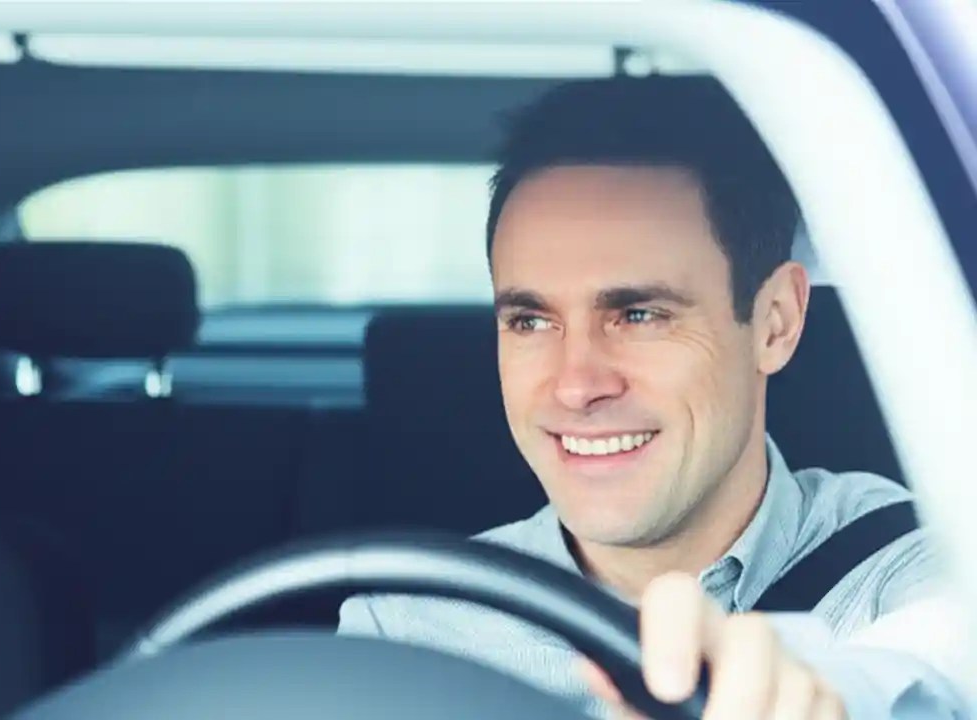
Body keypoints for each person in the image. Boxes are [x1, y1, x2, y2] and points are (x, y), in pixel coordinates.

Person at [337, 76, 970, 719]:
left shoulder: (920, 568)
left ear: (776, 321)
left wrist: (821, 696)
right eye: (530, 322)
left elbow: (932, 663)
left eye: (639, 315)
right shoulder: (412, 630)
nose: (578, 385)